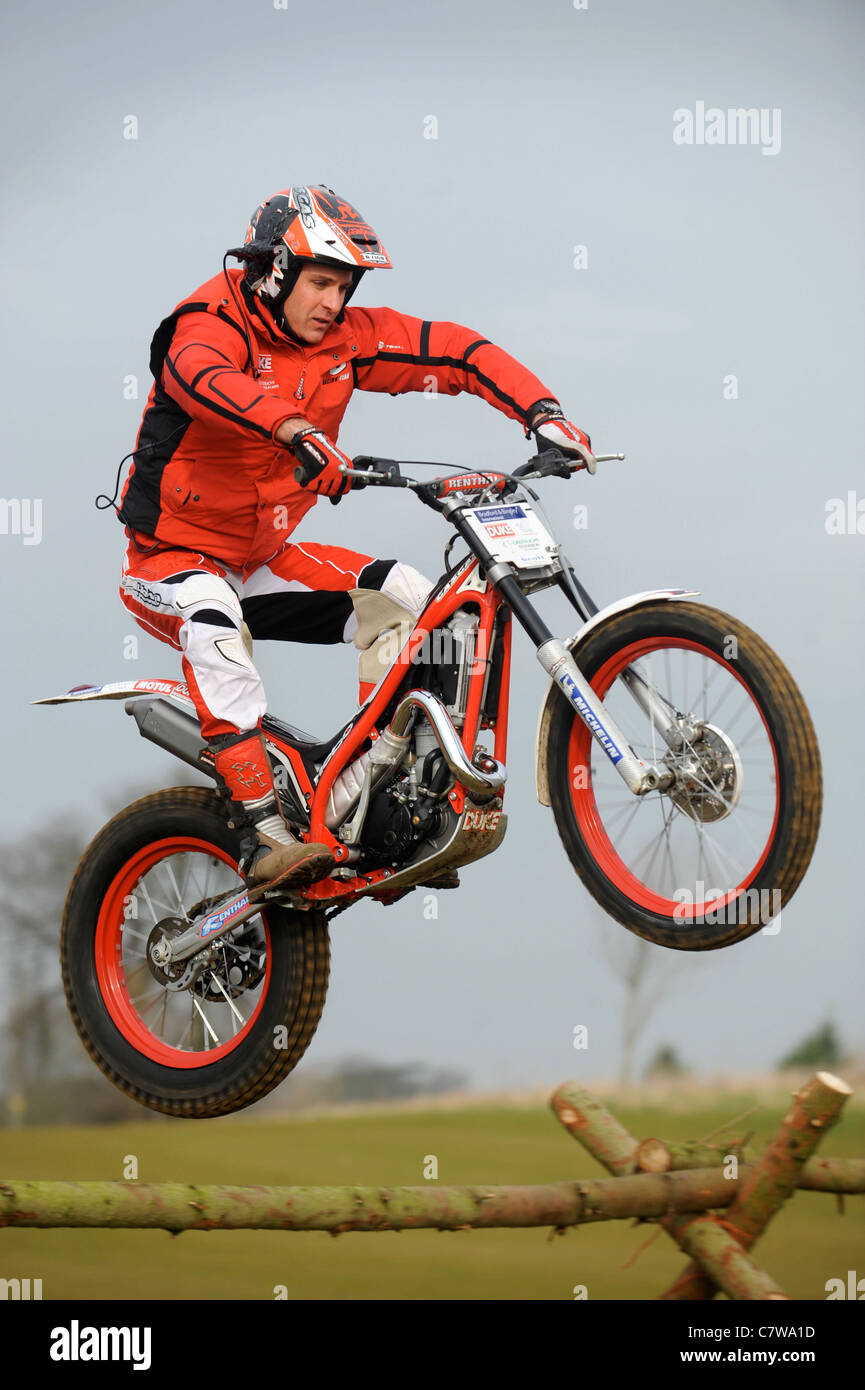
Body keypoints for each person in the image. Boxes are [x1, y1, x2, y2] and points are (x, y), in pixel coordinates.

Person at [116, 185, 593, 893]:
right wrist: (295, 429)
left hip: (268, 559)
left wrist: (543, 412)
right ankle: (264, 834)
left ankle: (377, 805)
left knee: (427, 604)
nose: (333, 303)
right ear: (273, 272)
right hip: (172, 560)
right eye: (320, 283)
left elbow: (456, 352)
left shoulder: (342, 339)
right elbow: (203, 377)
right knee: (213, 625)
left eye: (344, 287)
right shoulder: (208, 322)